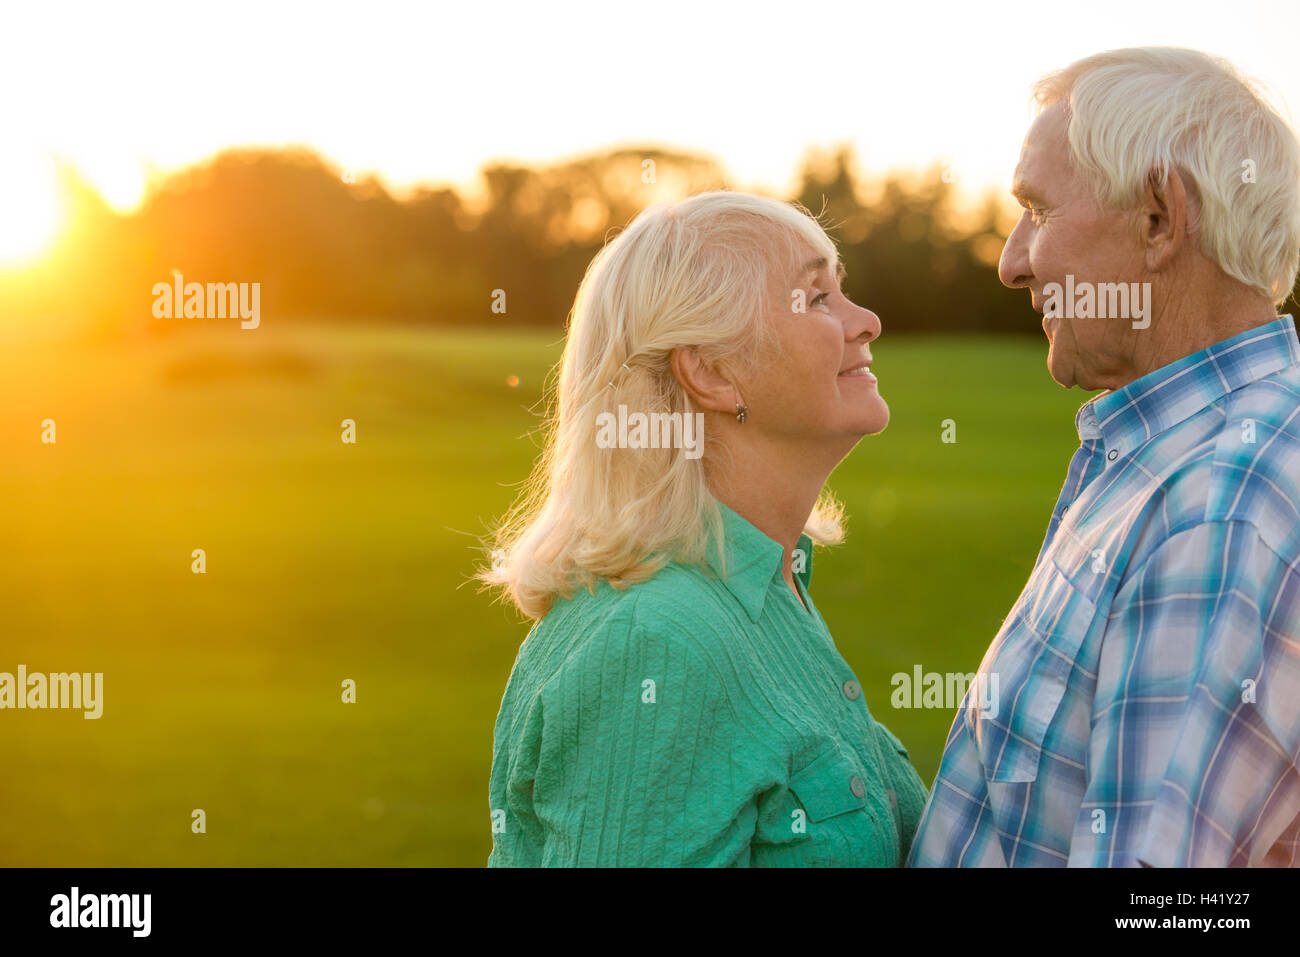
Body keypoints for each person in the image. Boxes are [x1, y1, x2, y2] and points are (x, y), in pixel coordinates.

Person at [909, 47, 1300, 867]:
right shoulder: (1185, 453)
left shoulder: (1219, 498)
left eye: (1039, 212)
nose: (1013, 261)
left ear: (1159, 217)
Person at [480, 189, 926, 866]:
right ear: (712, 373)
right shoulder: (654, 643)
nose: (866, 321)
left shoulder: (767, 590)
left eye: (843, 290)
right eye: (815, 297)